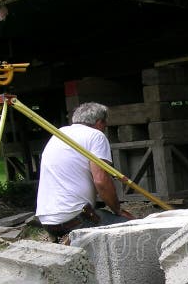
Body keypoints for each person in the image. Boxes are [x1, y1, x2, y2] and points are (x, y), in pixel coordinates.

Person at [36, 102, 132, 242]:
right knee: (132, 228)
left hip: (47, 220)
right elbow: (101, 181)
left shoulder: (59, 133)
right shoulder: (96, 136)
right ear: (99, 123)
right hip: (75, 218)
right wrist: (118, 210)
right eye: (105, 125)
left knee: (103, 216)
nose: (104, 129)